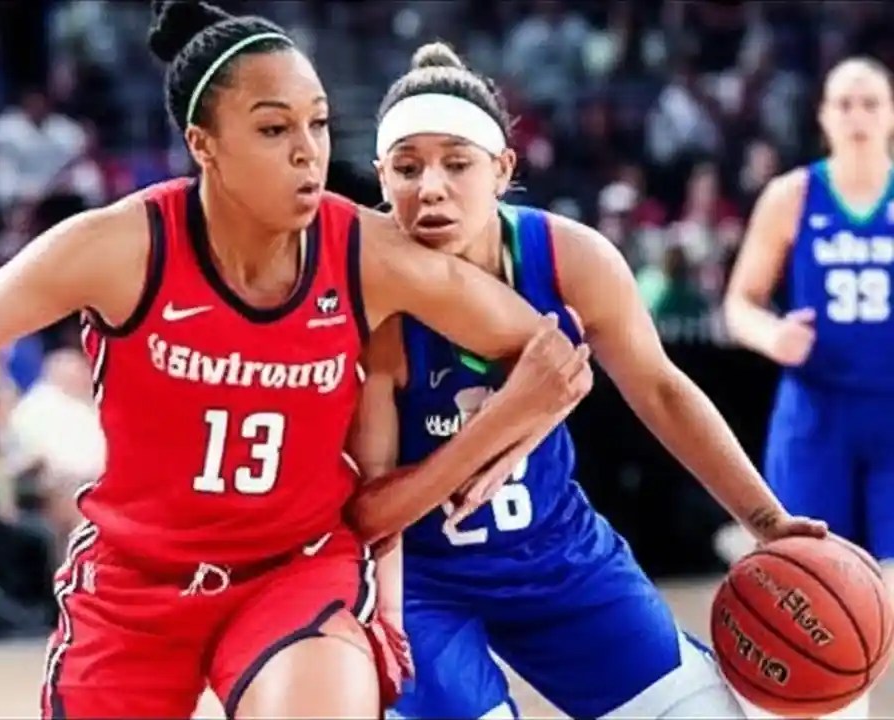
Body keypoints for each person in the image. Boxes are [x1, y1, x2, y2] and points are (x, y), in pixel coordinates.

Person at [0, 3, 587, 717]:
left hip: (293, 571)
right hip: (137, 588)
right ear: (202, 145)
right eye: (273, 128)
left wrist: (484, 447)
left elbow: (550, 359)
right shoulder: (121, 247)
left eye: (318, 124)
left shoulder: (359, 250)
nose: (306, 152)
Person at [352, 42, 837, 720]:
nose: (430, 186)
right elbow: (371, 516)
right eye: (406, 168)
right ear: (381, 178)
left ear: (503, 169)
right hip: (425, 581)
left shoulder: (570, 260)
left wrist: (767, 520)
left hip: (556, 555)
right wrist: (501, 425)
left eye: (456, 164)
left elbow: (663, 392)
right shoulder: (368, 298)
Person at [725, 57, 894, 596]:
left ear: (890, 115)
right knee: (818, 589)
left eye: (870, 102)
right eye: (844, 103)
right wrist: (773, 335)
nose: (857, 115)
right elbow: (739, 304)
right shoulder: (791, 195)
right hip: (817, 413)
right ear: (824, 117)